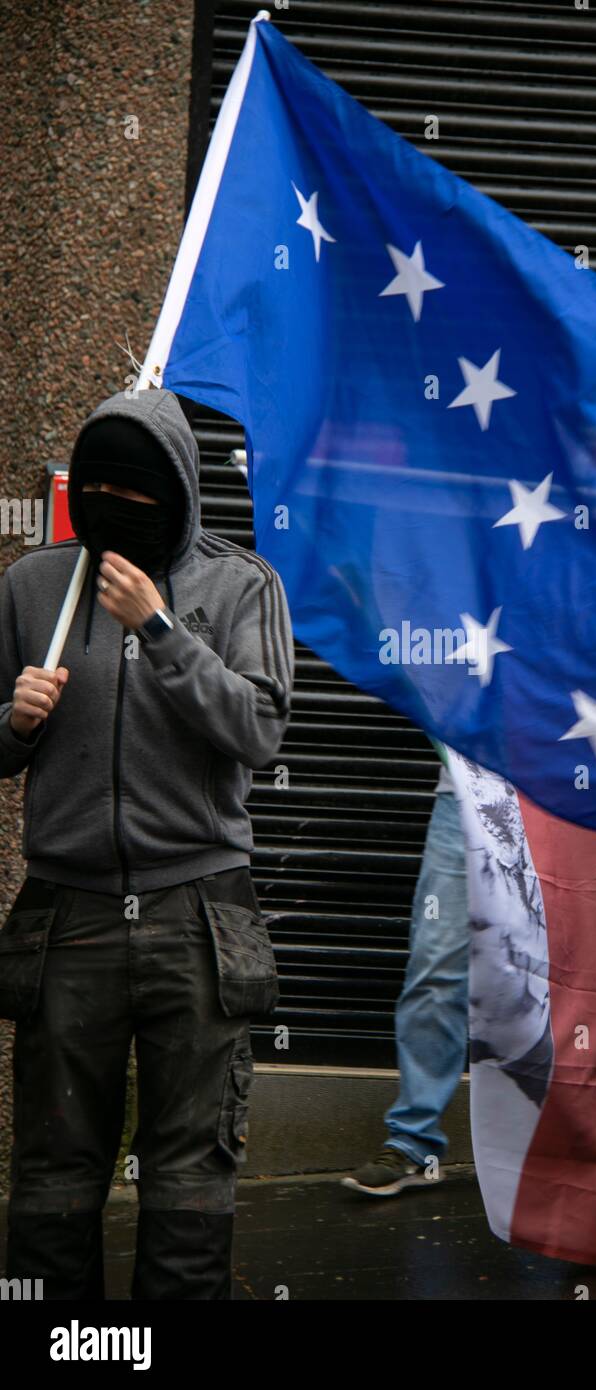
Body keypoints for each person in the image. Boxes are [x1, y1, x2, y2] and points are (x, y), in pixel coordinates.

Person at [0, 388, 293, 1300]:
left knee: (189, 1180)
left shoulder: (242, 585)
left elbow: (259, 731)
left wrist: (162, 633)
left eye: (142, 495)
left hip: (199, 918)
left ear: (183, 491)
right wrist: (11, 724)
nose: (118, 512)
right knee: (51, 1177)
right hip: (67, 917)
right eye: (102, 493)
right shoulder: (33, 585)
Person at [343, 752, 469, 1195]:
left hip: (566, 796)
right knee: (437, 968)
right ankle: (414, 1143)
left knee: (559, 974)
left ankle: (555, 1146)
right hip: (468, 791)